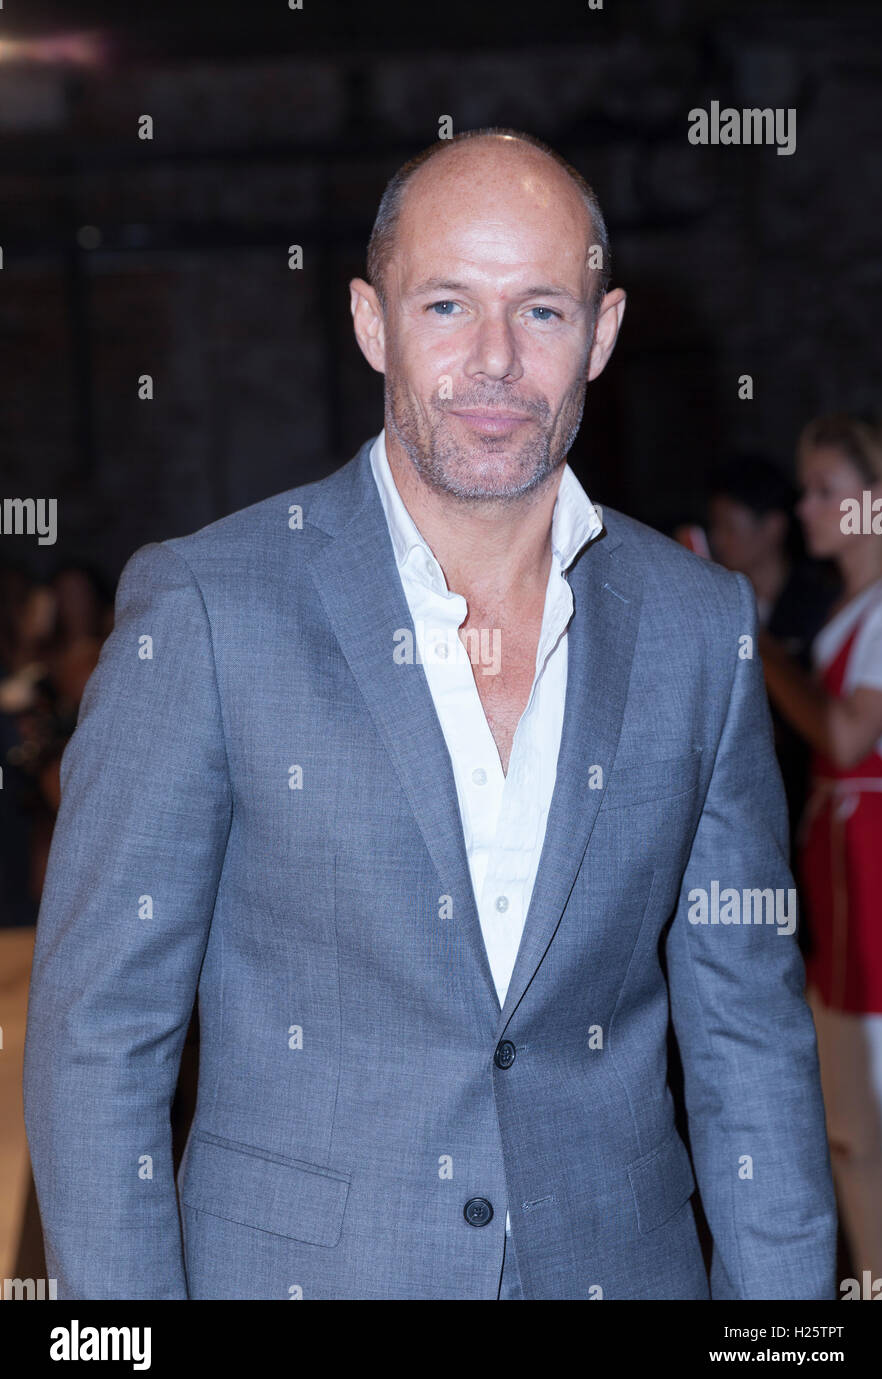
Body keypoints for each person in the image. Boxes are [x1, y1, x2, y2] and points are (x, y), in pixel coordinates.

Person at [24, 127, 836, 1301]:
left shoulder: (696, 625)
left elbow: (750, 1036)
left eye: (544, 311)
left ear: (601, 335)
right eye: (448, 304)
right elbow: (97, 1041)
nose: (496, 360)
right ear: (371, 322)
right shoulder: (208, 606)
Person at [758, 411, 882, 1286]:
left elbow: (847, 737)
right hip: (844, 875)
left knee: (881, 1106)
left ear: (877, 503)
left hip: (880, 879)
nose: (805, 507)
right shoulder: (848, 608)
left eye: (824, 491)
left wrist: (757, 648)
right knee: (851, 1125)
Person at [707, 455, 840, 863]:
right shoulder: (712, 603)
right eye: (713, 528)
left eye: (730, 527)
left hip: (807, 802)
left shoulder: (822, 606)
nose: (718, 540)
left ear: (773, 527)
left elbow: (827, 721)